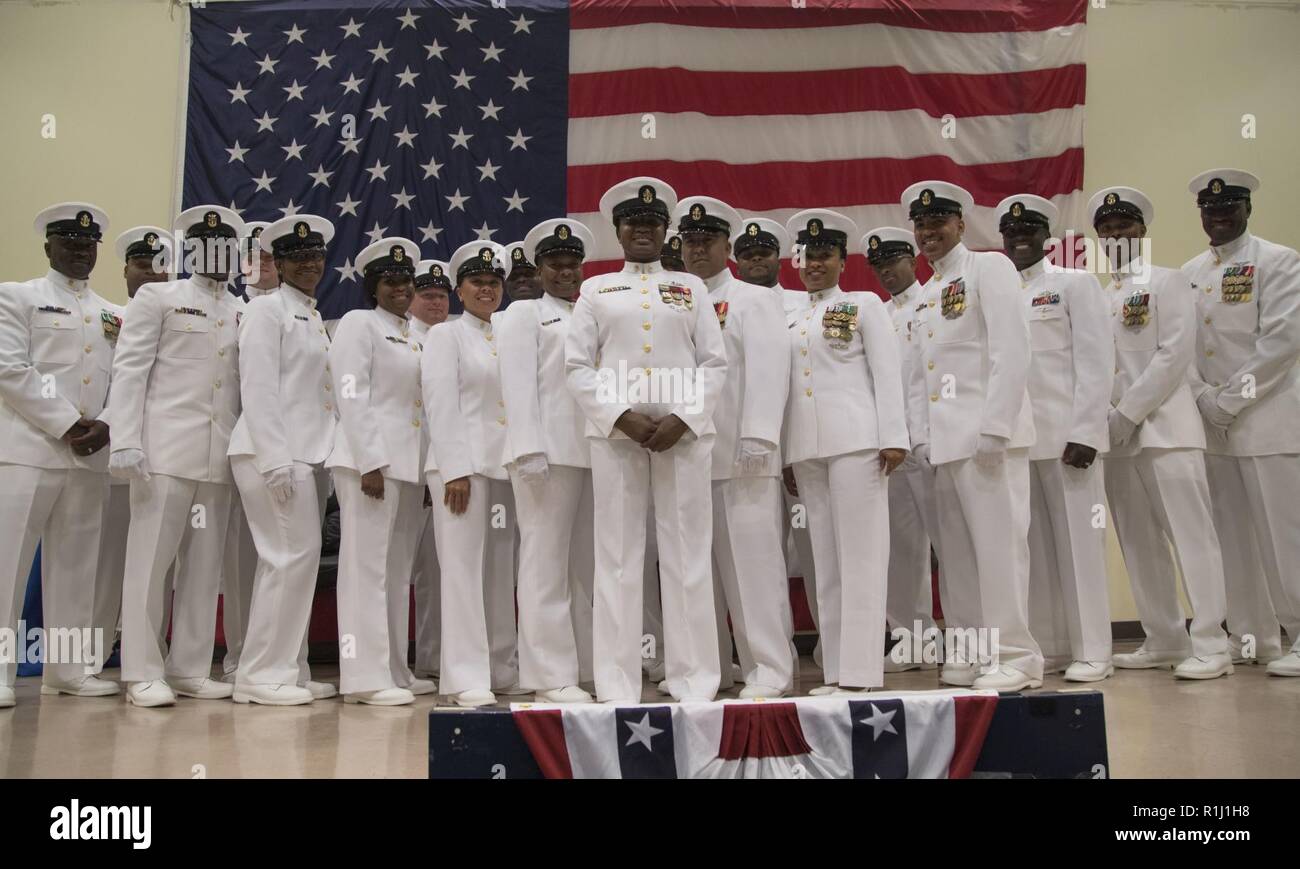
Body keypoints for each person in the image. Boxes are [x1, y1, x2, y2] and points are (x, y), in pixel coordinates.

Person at [565, 176, 727, 703]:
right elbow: (576, 365)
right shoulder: (594, 289)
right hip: (618, 437)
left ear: (666, 231)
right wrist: (619, 416)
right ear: (617, 230)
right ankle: (616, 681)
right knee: (616, 555)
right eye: (633, 222)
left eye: (653, 223)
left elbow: (715, 362)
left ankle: (694, 678)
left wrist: (684, 416)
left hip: (684, 436)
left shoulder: (693, 288)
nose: (643, 230)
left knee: (687, 553)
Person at [902, 181, 1043, 691]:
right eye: (920, 224)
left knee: (1000, 550)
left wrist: (996, 427)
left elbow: (1012, 350)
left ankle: (1016, 655)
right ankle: (970, 648)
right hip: (943, 446)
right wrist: (920, 438)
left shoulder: (989, 268)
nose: (928, 231)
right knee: (958, 555)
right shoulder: (927, 294)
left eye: (938, 221)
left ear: (960, 224)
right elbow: (919, 374)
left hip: (987, 441)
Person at [1091, 186, 1232, 681]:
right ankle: (1165, 637)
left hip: (1167, 431)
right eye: (1106, 230)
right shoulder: (1098, 294)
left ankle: (1213, 643)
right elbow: (1094, 364)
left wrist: (1126, 413)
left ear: (1142, 231)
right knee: (1138, 540)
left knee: (1193, 538)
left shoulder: (1169, 282)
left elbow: (1174, 356)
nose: (1115, 236)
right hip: (1116, 438)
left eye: (1124, 227)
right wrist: (1107, 417)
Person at [108, 206, 246, 707]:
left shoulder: (241, 310)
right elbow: (130, 370)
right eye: (207, 245)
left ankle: (189, 666)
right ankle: (141, 670)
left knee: (205, 567)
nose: (217, 254)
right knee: (149, 565)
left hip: (219, 457)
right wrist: (124, 438)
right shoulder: (158, 296)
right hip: (163, 453)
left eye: (227, 246)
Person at [782, 209, 907, 694]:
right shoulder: (791, 316)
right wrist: (787, 454)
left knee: (861, 558)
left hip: (858, 443)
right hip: (808, 448)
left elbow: (886, 371)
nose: (815, 263)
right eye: (807, 255)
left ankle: (860, 673)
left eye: (825, 255)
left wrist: (894, 436)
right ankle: (834, 669)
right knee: (827, 563)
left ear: (841, 259)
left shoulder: (864, 305)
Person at [0, 202, 120, 706]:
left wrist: (108, 424)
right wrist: (68, 421)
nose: (80, 250)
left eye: (87, 244)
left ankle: (67, 671)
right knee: (8, 567)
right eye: (69, 242)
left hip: (89, 455)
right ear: (47, 246)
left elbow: (129, 379)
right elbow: (10, 369)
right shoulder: (17, 296)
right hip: (30, 449)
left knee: (76, 568)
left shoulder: (114, 312)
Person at [1181, 169, 1300, 678]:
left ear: (1247, 209)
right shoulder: (1188, 271)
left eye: (1229, 205)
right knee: (1232, 538)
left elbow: (1280, 343)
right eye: (1210, 209)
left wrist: (1227, 401)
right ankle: (1254, 639)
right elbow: (1179, 346)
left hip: (1266, 421)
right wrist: (1202, 396)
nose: (1219, 214)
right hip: (1211, 425)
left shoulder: (1279, 261)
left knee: (1284, 535)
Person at [675, 196, 793, 698]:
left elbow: (770, 374)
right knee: (697, 573)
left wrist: (759, 439)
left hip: (741, 454)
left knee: (754, 569)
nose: (699, 249)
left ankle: (769, 669)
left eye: (708, 241)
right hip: (686, 458)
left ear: (729, 246)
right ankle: (711, 671)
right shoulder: (674, 298)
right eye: (691, 242)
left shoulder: (752, 298)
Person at [995, 195, 1115, 682]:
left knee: (1080, 548)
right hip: (1021, 443)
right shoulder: (1001, 291)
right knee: (1036, 551)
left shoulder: (1075, 283)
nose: (1019, 240)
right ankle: (1055, 646)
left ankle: (1095, 651)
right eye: (1010, 233)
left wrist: (1087, 429)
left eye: (1029, 232)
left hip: (1069, 442)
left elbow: (1096, 360)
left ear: (1048, 237)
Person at [228, 214, 339, 705]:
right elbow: (258, 387)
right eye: (299, 257)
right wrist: (274, 460)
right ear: (281, 263)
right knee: (286, 560)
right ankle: (259, 675)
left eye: (315, 256)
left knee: (297, 561)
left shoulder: (310, 314)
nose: (310, 263)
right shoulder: (266, 311)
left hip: (304, 456)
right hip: (269, 452)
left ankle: (289, 668)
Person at [328, 237, 436, 705]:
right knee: (364, 569)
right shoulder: (359, 324)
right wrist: (370, 459)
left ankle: (394, 667)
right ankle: (363, 678)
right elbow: (350, 392)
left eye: (405, 281)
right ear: (373, 285)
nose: (400, 288)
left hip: (408, 467)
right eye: (390, 281)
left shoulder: (416, 334)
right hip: (368, 463)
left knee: (395, 574)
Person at [499, 219, 599, 703]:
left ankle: (586, 664)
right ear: (537, 269)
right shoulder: (524, 315)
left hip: (592, 451)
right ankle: (547, 675)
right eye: (555, 265)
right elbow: (516, 387)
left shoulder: (590, 311)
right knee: (544, 562)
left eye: (572, 264)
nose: (565, 272)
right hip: (545, 453)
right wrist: (527, 447)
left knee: (587, 565)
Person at [422, 241, 521, 707]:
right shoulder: (446, 336)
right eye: (477, 283)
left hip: (503, 466)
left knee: (500, 571)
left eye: (493, 282)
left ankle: (501, 665)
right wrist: (454, 470)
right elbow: (441, 405)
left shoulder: (508, 333)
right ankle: (464, 676)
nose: (487, 289)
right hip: (460, 469)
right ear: (459, 290)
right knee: (461, 572)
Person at [733, 216, 821, 668]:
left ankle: (832, 645)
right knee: (760, 557)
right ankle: (772, 655)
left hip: (806, 444)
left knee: (816, 553)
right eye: (746, 255)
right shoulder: (723, 304)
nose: (755, 261)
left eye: (763, 253)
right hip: (751, 452)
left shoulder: (808, 303)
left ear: (781, 258)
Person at [90, 226, 173, 675]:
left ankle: (147, 652)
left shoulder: (176, 313)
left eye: (160, 266)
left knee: (156, 561)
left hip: (156, 455)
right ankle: (92, 657)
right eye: (142, 265)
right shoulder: (104, 315)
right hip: (100, 455)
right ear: (125, 269)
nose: (152, 274)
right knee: (102, 562)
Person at [861, 226, 942, 673]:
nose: (886, 271)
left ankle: (977, 636)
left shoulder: (937, 302)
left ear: (913, 259)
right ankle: (914, 640)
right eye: (878, 265)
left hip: (932, 441)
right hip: (893, 448)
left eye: (893, 261)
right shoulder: (878, 314)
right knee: (901, 550)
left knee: (952, 545)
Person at [220, 219, 275, 682]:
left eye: (272, 258)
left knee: (271, 558)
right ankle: (240, 656)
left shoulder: (301, 314)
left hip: (270, 447)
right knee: (237, 559)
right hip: (230, 445)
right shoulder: (231, 308)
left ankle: (276, 659)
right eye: (255, 257)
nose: (264, 266)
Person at [408, 259, 451, 680]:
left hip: (441, 468)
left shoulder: (455, 337)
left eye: (441, 295)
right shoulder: (401, 337)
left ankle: (434, 659)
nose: (436, 302)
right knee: (405, 569)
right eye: (428, 295)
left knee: (438, 571)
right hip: (406, 469)